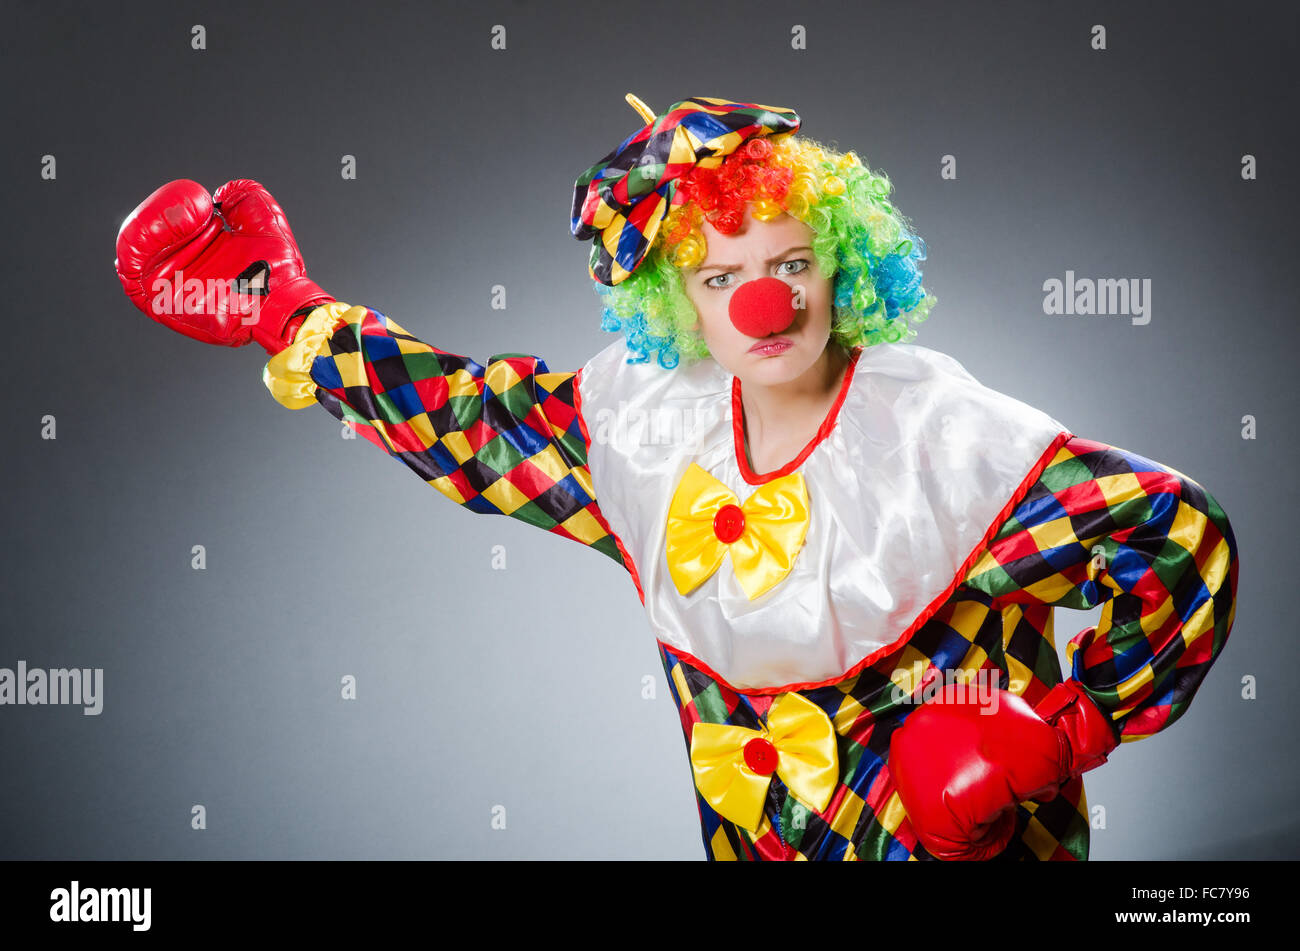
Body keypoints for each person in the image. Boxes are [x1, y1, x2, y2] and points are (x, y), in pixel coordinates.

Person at [114, 94, 1239, 861]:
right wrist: (288, 315)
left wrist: (1062, 728)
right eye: (722, 276)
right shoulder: (652, 433)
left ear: (840, 265)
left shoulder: (937, 436)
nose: (764, 303)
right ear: (677, 301)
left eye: (791, 263)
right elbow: (467, 422)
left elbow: (1173, 535)